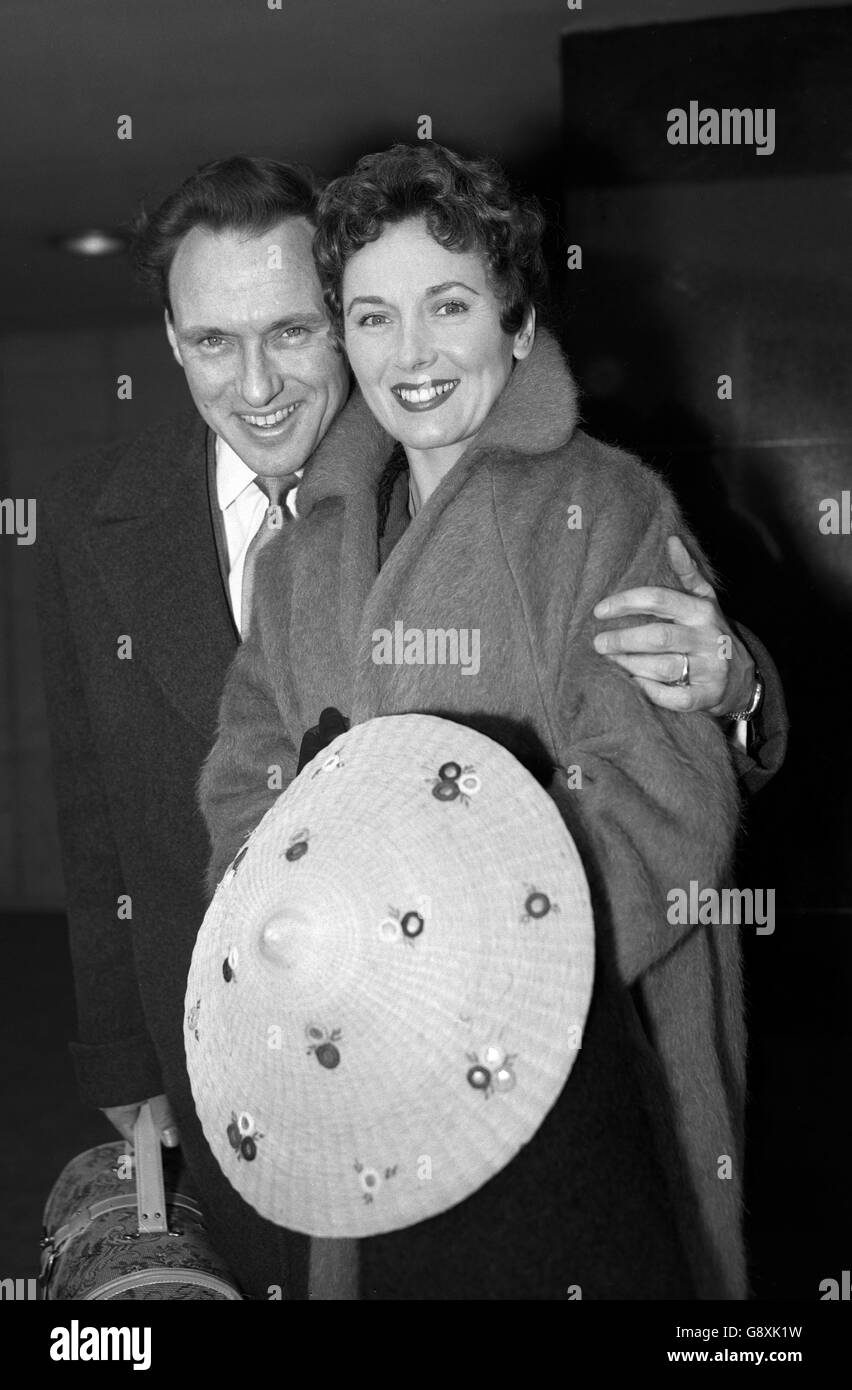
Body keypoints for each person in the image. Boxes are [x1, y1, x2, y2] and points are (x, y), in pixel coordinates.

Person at [38, 152, 784, 1301]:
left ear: (519, 319)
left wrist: (452, 972)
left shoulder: (603, 507)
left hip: (561, 1082)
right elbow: (237, 780)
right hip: (345, 1079)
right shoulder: (314, 546)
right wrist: (312, 944)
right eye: (377, 315)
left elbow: (666, 801)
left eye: (449, 306)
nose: (413, 352)